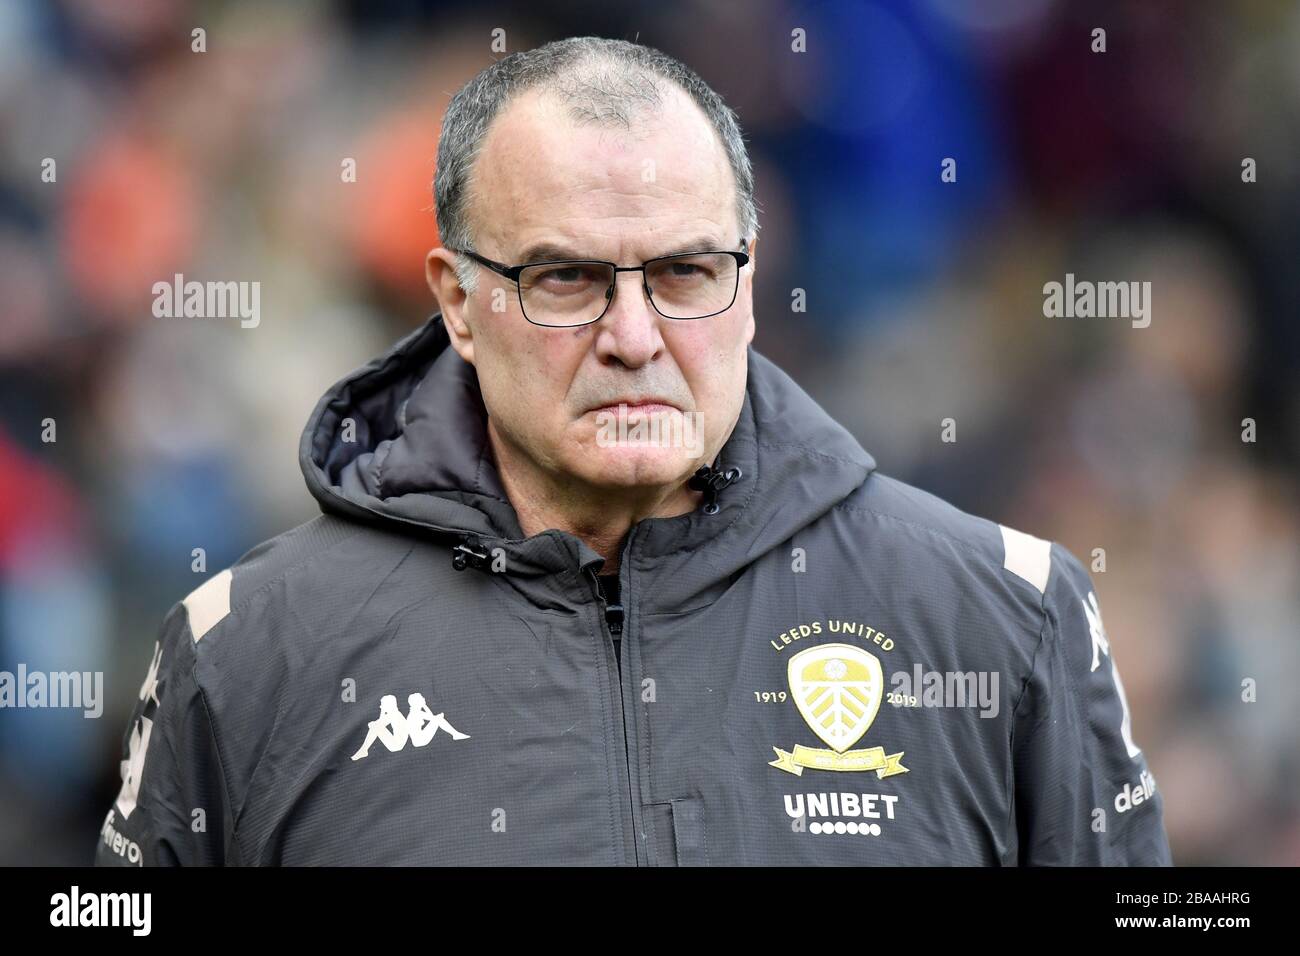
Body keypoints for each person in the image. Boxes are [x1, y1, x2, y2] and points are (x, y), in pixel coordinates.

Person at [94, 37, 1171, 866]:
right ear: (457, 302)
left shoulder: (1004, 613)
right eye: (564, 278)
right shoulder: (248, 653)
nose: (633, 335)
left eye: (686, 273)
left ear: (749, 283)